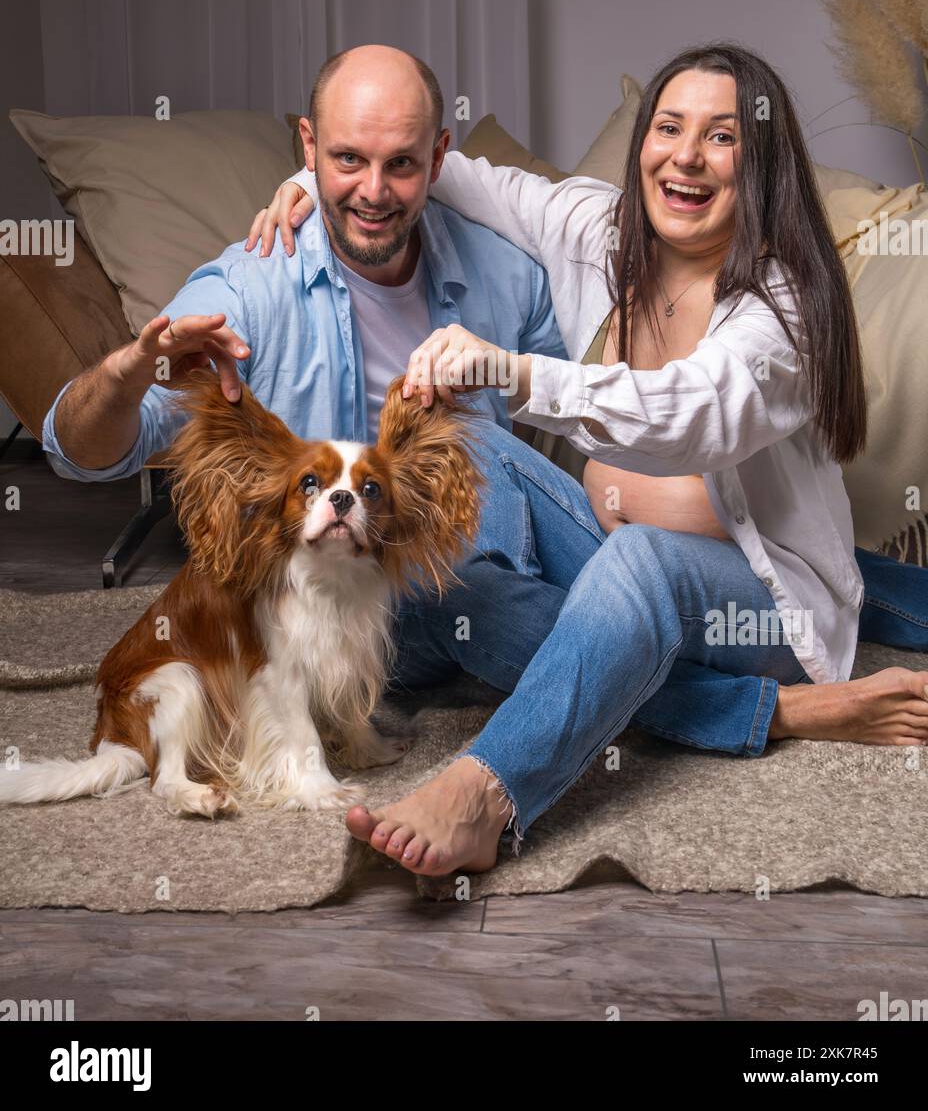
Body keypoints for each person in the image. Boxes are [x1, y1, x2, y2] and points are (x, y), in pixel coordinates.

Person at [255, 43, 928, 878]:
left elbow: (690, 416)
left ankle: (486, 792)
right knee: (458, 517)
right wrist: (315, 180)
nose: (685, 155)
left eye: (721, 138)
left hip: (753, 610)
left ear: (763, 169)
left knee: (639, 565)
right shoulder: (597, 230)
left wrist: (514, 369)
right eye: (669, 127)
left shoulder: (779, 309)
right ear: (642, 141)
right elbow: (447, 173)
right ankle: (776, 714)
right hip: (604, 553)